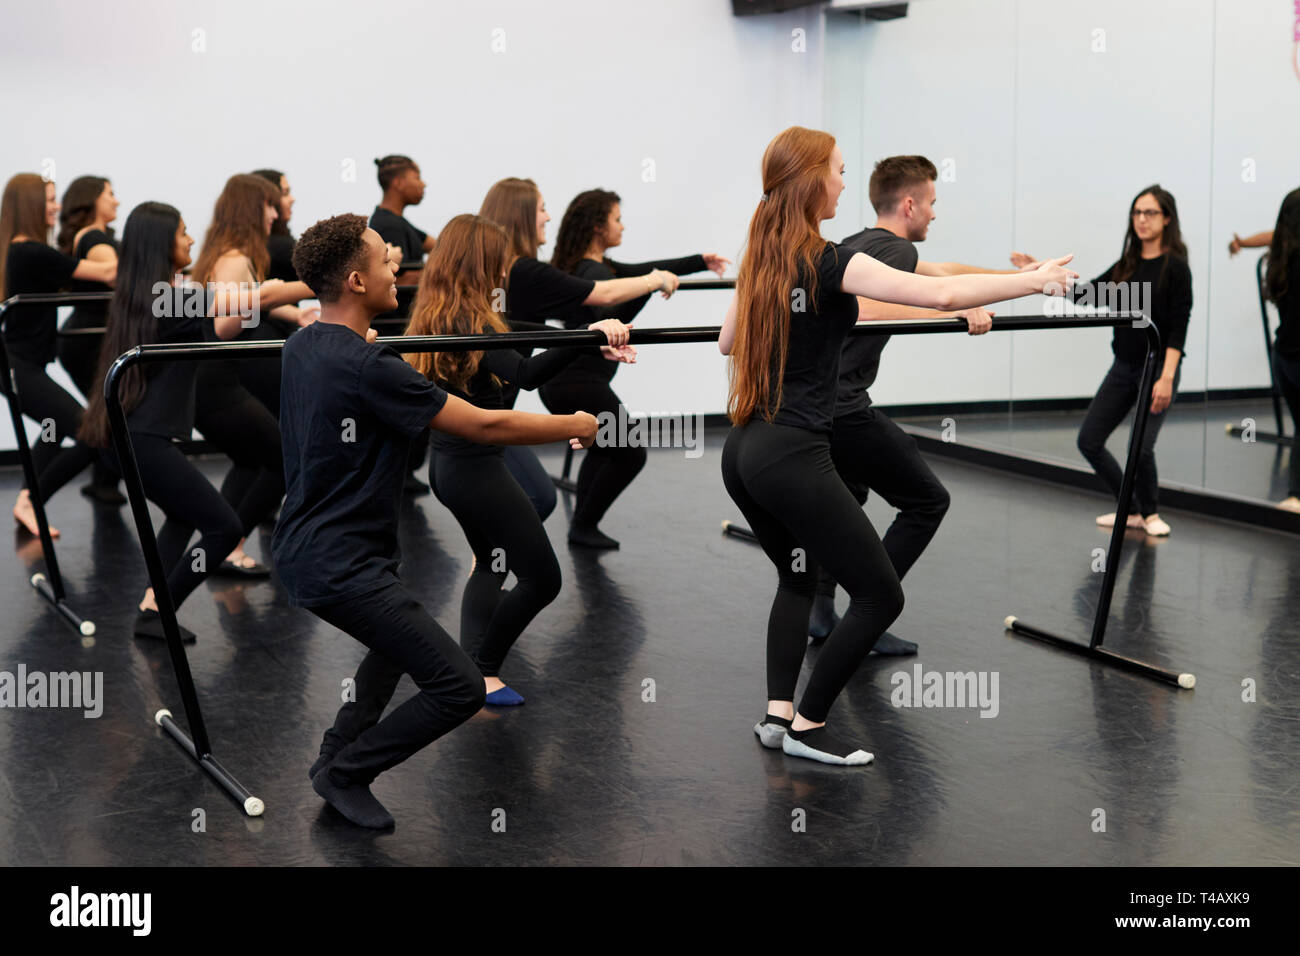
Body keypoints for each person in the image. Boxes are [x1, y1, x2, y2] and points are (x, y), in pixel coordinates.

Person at [720, 126, 1075, 766]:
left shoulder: (764, 257)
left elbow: (727, 342)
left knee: (796, 575)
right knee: (881, 596)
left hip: (742, 450)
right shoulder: (829, 260)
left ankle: (778, 718)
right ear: (812, 182)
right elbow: (937, 292)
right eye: (838, 170)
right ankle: (808, 728)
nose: (844, 183)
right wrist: (1031, 284)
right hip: (791, 454)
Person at [273, 213, 597, 828]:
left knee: (393, 646)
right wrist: (574, 425)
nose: (394, 263)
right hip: (338, 562)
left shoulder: (305, 343)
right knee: (461, 688)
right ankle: (347, 772)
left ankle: (336, 752)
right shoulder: (371, 367)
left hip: (316, 547)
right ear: (355, 280)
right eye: (380, 258)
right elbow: (485, 424)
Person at [405, 214, 633, 705]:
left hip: (450, 466)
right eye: (498, 261)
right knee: (543, 579)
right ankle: (483, 668)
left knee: (491, 561)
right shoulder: (467, 320)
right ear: (480, 263)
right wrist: (587, 338)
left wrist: (582, 334)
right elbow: (525, 373)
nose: (505, 270)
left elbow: (520, 331)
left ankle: (472, 675)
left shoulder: (448, 311)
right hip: (475, 468)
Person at [810, 155, 1034, 653]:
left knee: (852, 490)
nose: (935, 213)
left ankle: (821, 610)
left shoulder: (860, 244)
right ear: (909, 204)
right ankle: (865, 619)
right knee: (928, 500)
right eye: (932, 202)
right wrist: (948, 311)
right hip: (843, 409)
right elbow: (865, 308)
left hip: (817, 406)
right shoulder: (894, 252)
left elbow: (949, 273)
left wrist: (1025, 277)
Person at [77, 202, 243, 641]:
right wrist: (313, 286)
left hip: (134, 435)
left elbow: (222, 328)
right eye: (184, 232)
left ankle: (153, 611)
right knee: (225, 528)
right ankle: (163, 607)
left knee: (182, 516)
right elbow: (250, 300)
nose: (191, 240)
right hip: (142, 439)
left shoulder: (155, 293)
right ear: (161, 243)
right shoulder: (166, 296)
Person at [478, 176, 678, 539]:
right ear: (522, 215)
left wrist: (589, 340)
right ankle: (553, 539)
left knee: (598, 454)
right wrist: (655, 281)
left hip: (497, 406)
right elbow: (602, 293)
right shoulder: (524, 269)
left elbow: (511, 326)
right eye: (541, 209)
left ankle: (572, 532)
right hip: (489, 414)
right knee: (539, 500)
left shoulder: (511, 271)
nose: (548, 217)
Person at [541, 188, 729, 547]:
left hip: (565, 380)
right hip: (575, 382)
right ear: (598, 227)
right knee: (629, 452)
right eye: (617, 219)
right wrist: (649, 287)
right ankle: (583, 526)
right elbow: (608, 314)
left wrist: (698, 262)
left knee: (606, 447)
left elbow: (645, 271)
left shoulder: (589, 266)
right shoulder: (593, 270)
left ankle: (582, 525)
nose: (623, 227)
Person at [1023, 185, 1191, 536]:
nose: (1141, 220)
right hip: (1123, 367)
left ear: (1167, 218)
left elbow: (1178, 326)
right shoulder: (1126, 264)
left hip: (1157, 369)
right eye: (1137, 213)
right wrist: (1041, 277)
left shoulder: (1175, 268)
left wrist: (1167, 378)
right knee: (1089, 440)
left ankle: (1151, 512)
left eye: (1150, 213)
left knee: (1140, 449)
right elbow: (1086, 295)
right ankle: (1129, 509)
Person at [190, 173, 314, 575]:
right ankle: (226, 542)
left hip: (221, 381)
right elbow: (227, 325)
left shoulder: (228, 255)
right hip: (223, 383)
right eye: (269, 205)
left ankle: (229, 544)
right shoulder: (235, 259)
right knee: (282, 459)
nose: (275, 213)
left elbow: (248, 298)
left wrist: (291, 310)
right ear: (250, 209)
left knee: (251, 461)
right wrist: (267, 295)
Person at [1, 173, 116, 538]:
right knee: (91, 434)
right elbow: (109, 270)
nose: (56, 206)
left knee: (52, 429)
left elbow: (73, 276)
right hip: (17, 367)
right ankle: (31, 502)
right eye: (49, 199)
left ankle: (26, 502)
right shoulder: (30, 251)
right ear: (30, 204)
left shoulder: (25, 251)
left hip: (25, 365)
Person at [56, 175, 124, 504]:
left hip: (87, 339)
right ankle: (35, 493)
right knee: (105, 417)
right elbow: (119, 277)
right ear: (92, 198)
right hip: (87, 341)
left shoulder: (97, 236)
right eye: (110, 194)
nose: (117, 201)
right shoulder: (95, 238)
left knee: (108, 413)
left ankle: (103, 482)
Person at [1263, 188, 1300, 512]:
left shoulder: (1278, 258)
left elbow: (1270, 235)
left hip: (1283, 357)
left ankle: (1295, 493)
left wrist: (1240, 243)